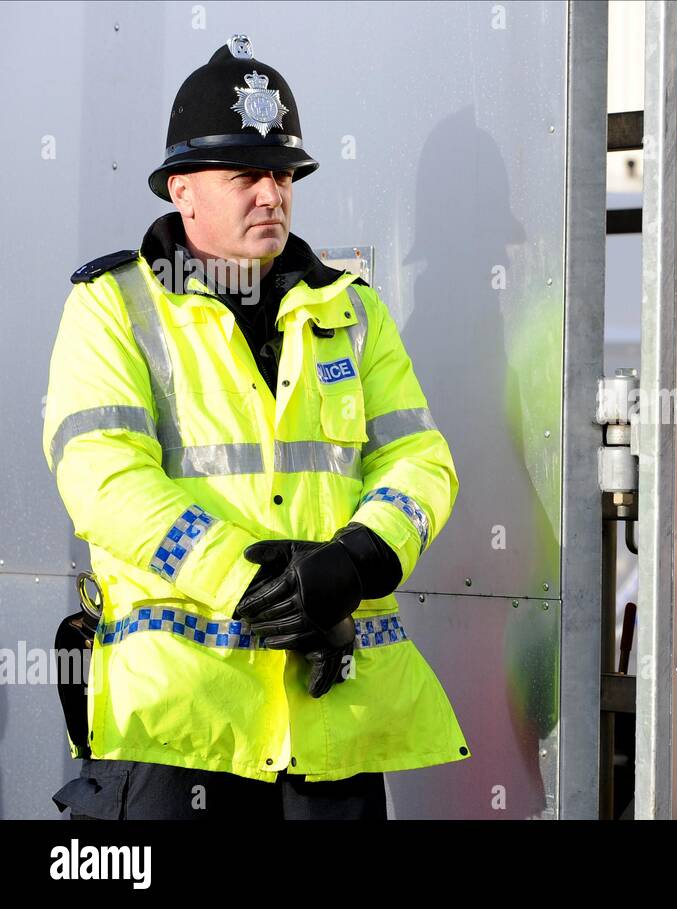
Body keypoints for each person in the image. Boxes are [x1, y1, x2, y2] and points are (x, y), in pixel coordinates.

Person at [42, 35, 470, 820]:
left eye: (282, 173)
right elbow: (104, 479)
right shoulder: (114, 306)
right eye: (246, 175)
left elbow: (419, 459)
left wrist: (360, 561)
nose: (272, 193)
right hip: (182, 731)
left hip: (330, 725)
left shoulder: (354, 310)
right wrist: (254, 584)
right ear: (183, 190)